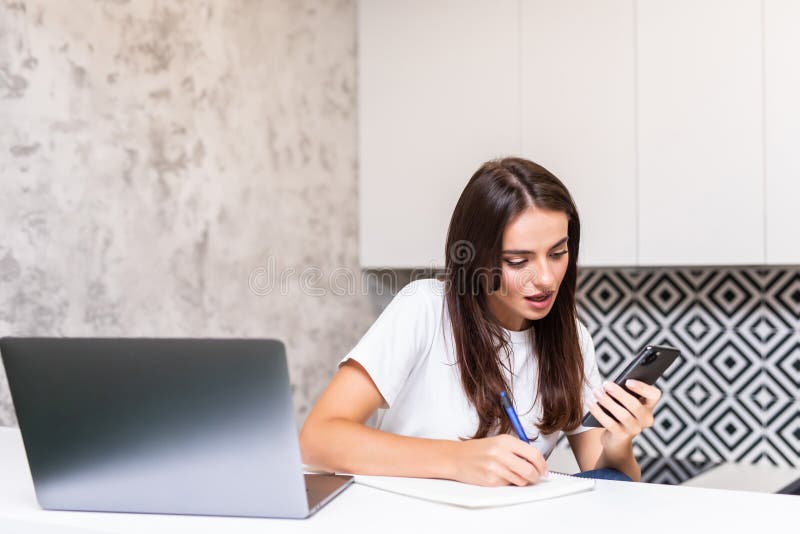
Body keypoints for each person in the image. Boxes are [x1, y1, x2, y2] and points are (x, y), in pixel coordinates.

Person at [300, 157, 661, 485]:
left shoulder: (571, 338)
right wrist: (456, 460)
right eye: (519, 261)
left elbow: (609, 484)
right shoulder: (424, 309)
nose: (548, 279)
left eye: (558, 253)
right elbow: (318, 438)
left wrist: (619, 442)